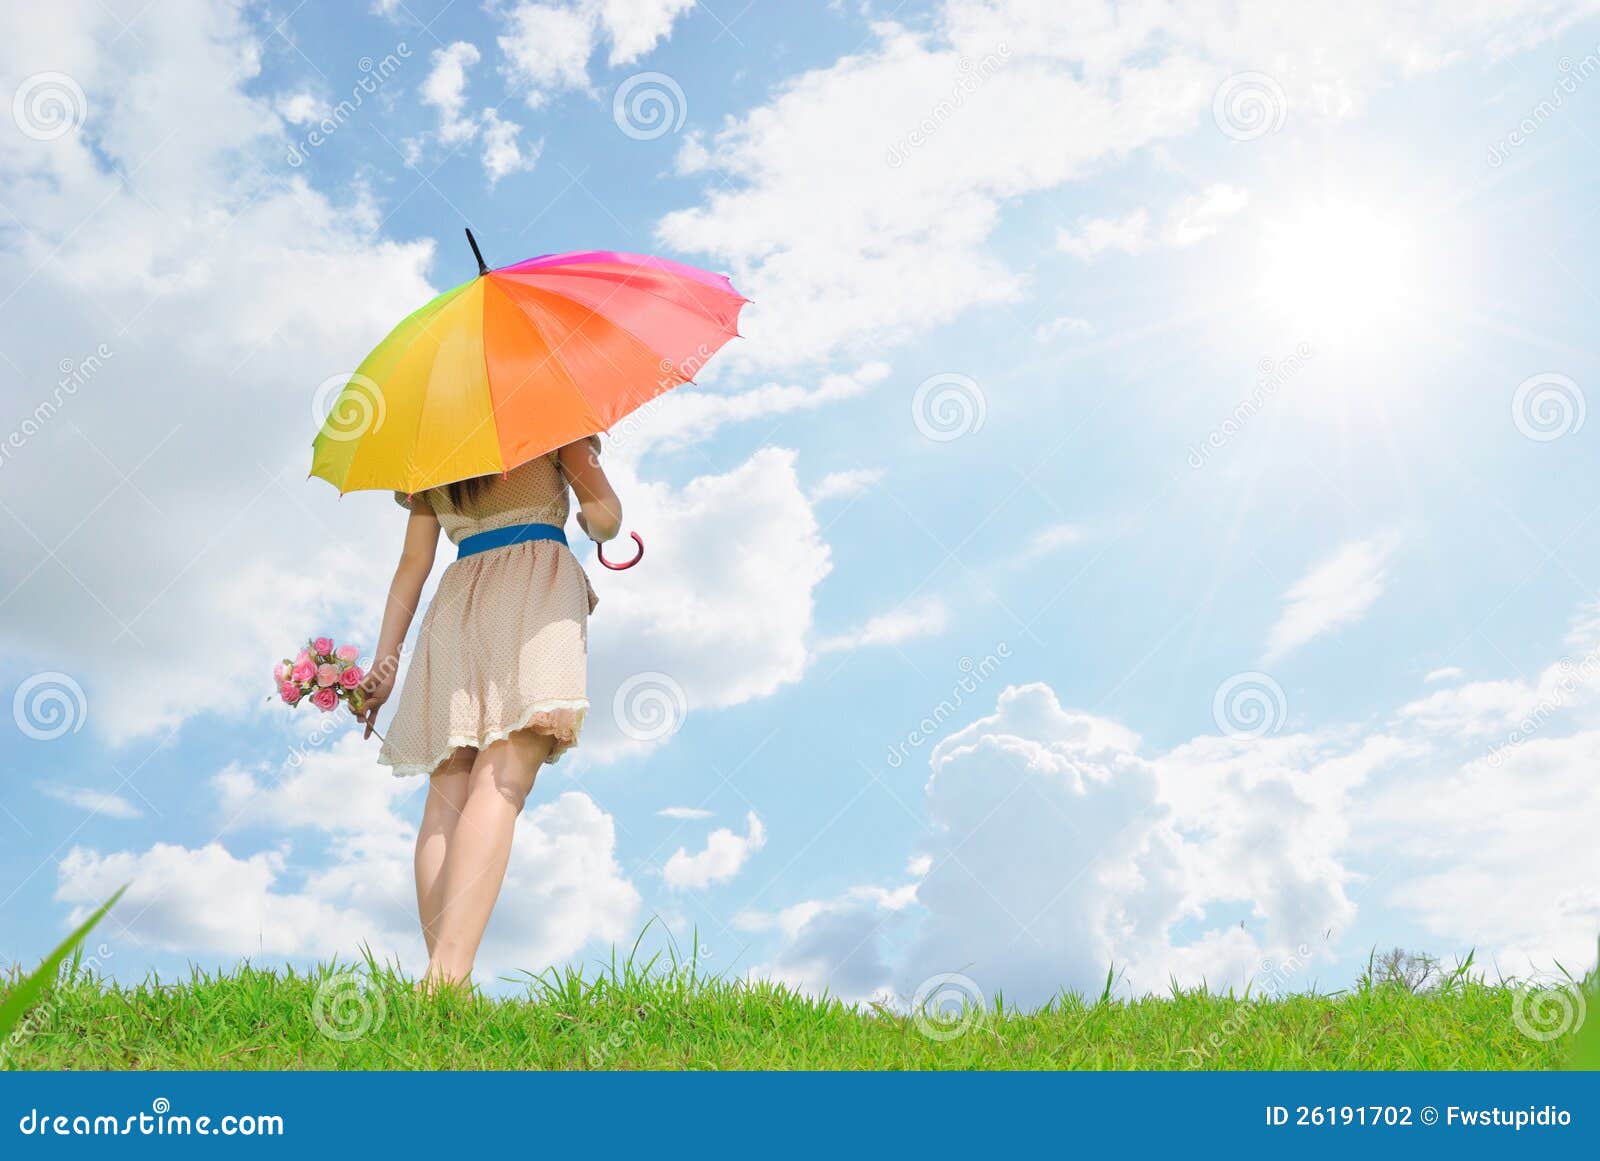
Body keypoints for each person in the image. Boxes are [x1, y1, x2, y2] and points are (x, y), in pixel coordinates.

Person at [358, 436, 620, 987]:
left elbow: (413, 564)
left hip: (458, 600)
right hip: (534, 585)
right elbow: (606, 517)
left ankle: (443, 976)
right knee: (503, 779)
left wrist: (386, 661)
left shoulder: (431, 447)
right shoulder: (558, 423)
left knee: (446, 796)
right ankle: (447, 976)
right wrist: (597, 520)